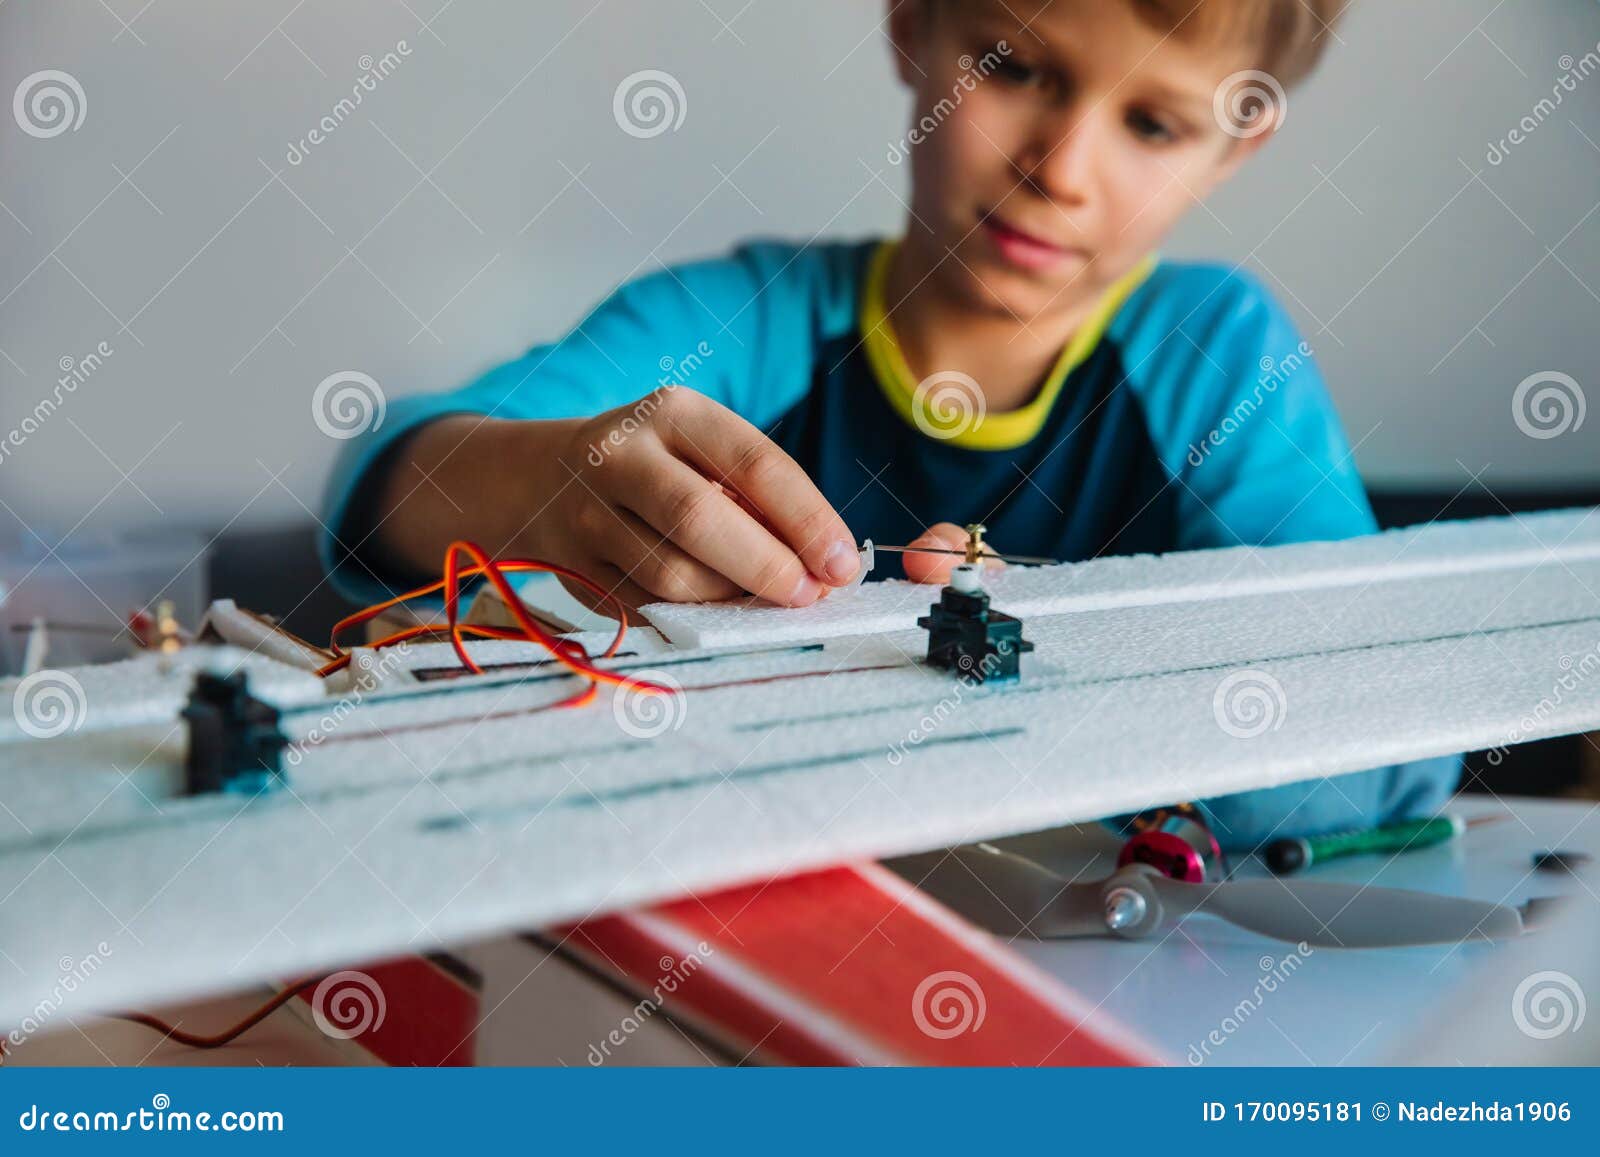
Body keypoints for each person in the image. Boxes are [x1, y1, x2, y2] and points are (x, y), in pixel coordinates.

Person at [320, 0, 1459, 848]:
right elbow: (397, 483)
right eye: (1011, 67)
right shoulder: (742, 323)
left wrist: (1014, 659)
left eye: (1153, 124)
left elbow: (1368, 741)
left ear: (1234, 147)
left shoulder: (1216, 354)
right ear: (913, 26)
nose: (1059, 170)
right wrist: (546, 483)